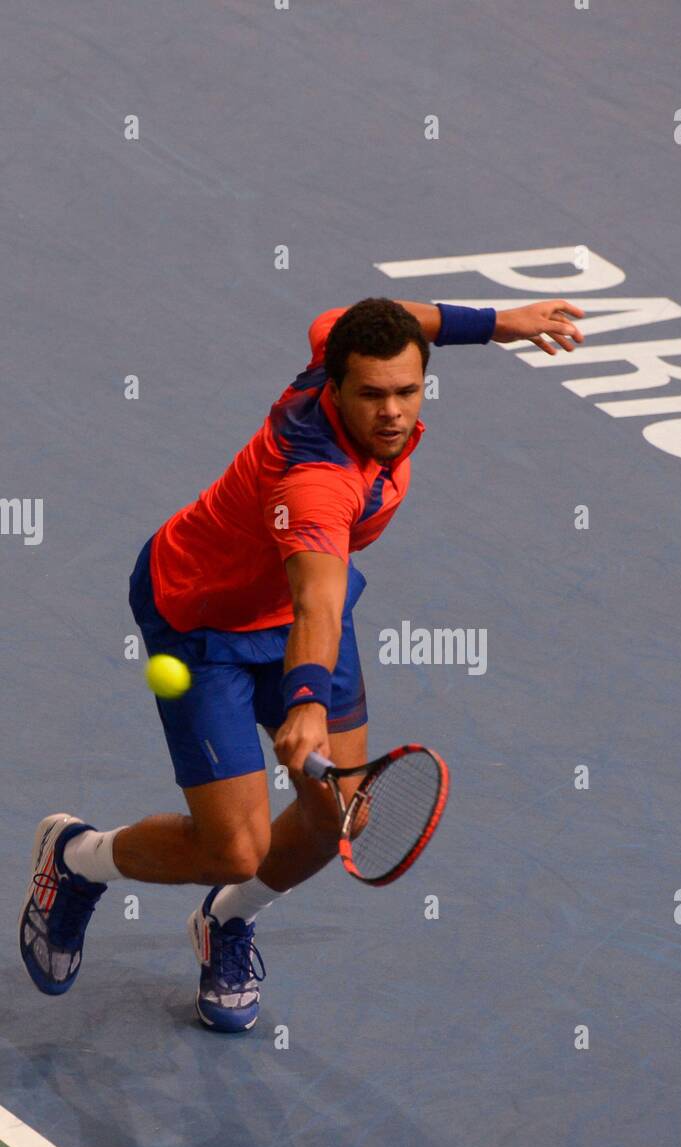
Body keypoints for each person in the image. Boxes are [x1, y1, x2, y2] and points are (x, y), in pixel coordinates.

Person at [19, 296, 583, 1032]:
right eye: (373, 396)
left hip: (290, 611)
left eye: (408, 392)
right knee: (233, 846)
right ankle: (76, 859)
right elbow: (319, 599)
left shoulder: (337, 344)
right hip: (203, 621)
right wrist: (307, 700)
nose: (392, 413)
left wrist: (495, 322)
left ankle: (226, 921)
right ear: (337, 388)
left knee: (339, 817)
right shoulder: (315, 482)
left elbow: (376, 316)